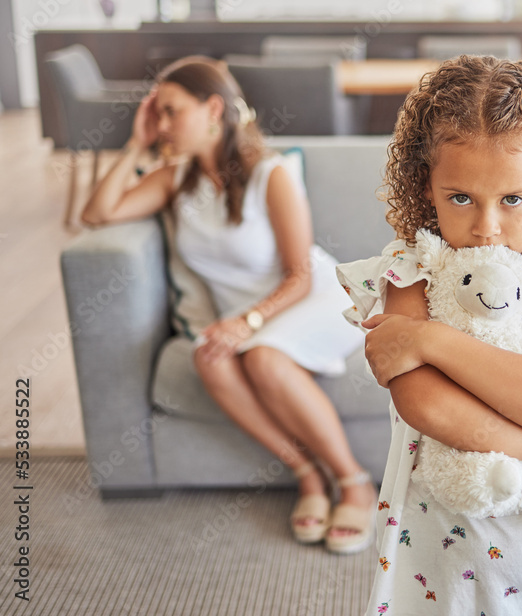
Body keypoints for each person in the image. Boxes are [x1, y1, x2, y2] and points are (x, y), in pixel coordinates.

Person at [335, 55, 522, 614]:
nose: (485, 226)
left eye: (512, 199)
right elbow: (428, 408)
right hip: (436, 554)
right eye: (461, 197)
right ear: (427, 187)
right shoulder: (411, 270)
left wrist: (428, 342)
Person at [80, 57, 376, 554]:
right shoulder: (176, 179)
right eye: (160, 115)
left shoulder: (270, 173)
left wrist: (248, 322)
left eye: (171, 111)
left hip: (315, 299)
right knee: (208, 357)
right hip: (253, 316)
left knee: (262, 357)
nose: (164, 124)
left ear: (213, 108)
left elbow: (301, 274)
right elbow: (97, 213)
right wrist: (137, 143)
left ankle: (353, 482)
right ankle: (306, 473)